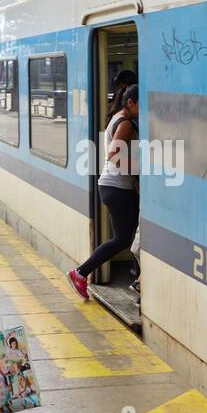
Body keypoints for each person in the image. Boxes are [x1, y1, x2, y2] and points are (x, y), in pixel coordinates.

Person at [68, 84, 139, 299]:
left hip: (111, 186)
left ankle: (82, 273)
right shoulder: (126, 123)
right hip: (117, 187)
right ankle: (80, 272)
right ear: (130, 103)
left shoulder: (117, 117)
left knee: (127, 237)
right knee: (126, 239)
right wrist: (140, 167)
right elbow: (113, 154)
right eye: (141, 106)